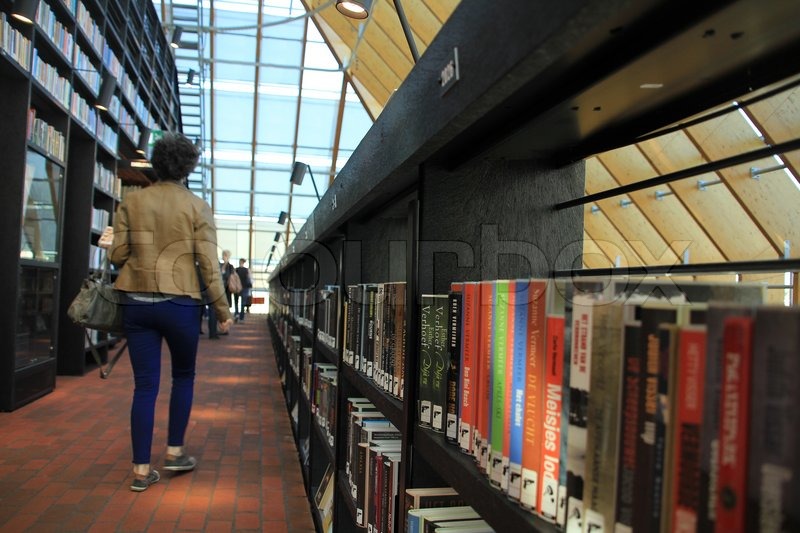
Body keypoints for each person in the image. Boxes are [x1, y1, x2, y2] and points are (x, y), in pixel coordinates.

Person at [100, 133, 233, 492]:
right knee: (184, 377)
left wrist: (109, 242)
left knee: (144, 386)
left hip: (137, 302)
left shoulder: (132, 203)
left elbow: (118, 257)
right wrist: (222, 310)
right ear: (188, 167)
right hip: (181, 304)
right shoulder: (197, 207)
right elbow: (208, 264)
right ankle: (175, 452)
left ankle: (141, 471)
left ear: (156, 163)